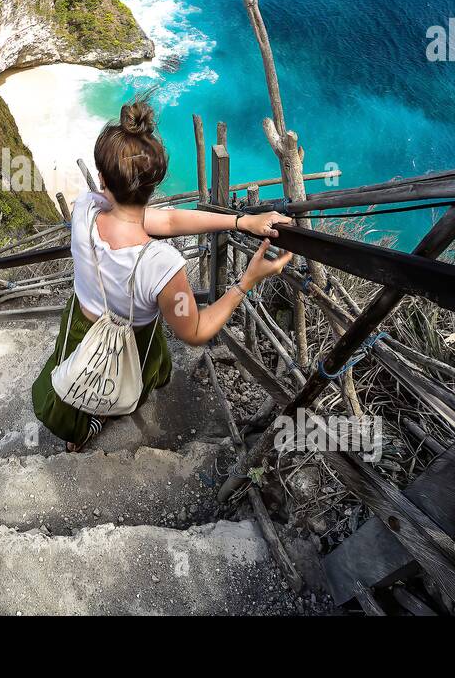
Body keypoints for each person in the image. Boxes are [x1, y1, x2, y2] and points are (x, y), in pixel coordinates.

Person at [31, 99, 295, 452]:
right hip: (132, 339)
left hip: (80, 323)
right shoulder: (161, 265)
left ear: (102, 179)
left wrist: (240, 221)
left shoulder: (85, 209)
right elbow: (196, 331)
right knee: (125, 379)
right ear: (153, 185)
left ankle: (77, 430)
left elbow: (167, 220)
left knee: (76, 372)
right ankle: (106, 411)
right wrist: (246, 281)